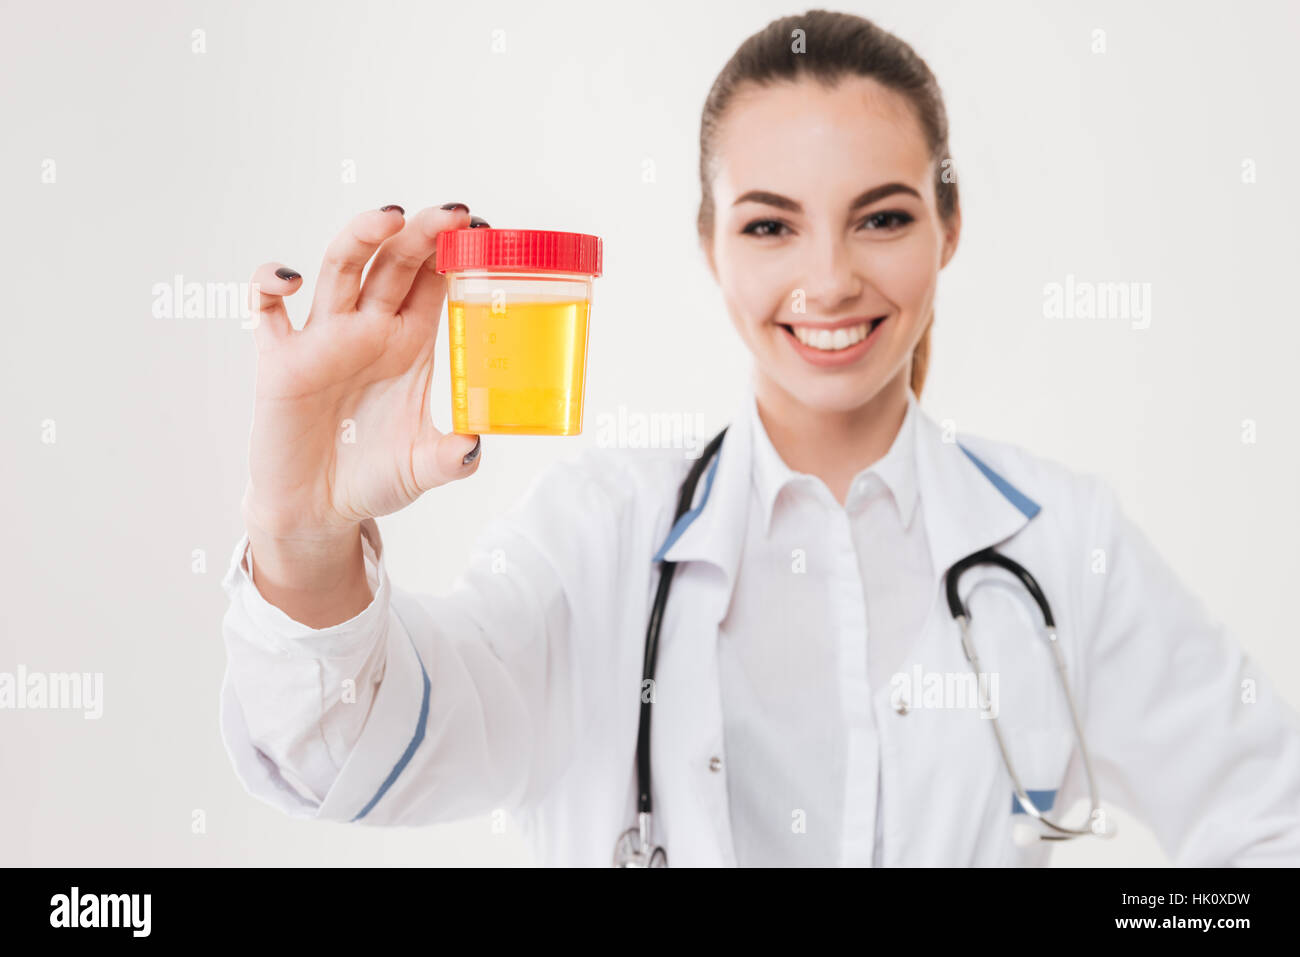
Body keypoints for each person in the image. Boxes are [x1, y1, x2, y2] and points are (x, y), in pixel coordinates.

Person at [219, 9, 1300, 866]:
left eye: (881, 216)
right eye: (770, 224)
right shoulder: (598, 539)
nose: (828, 279)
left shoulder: (1063, 543)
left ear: (948, 227)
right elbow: (352, 757)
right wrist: (302, 537)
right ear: (708, 243)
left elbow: (1266, 817)